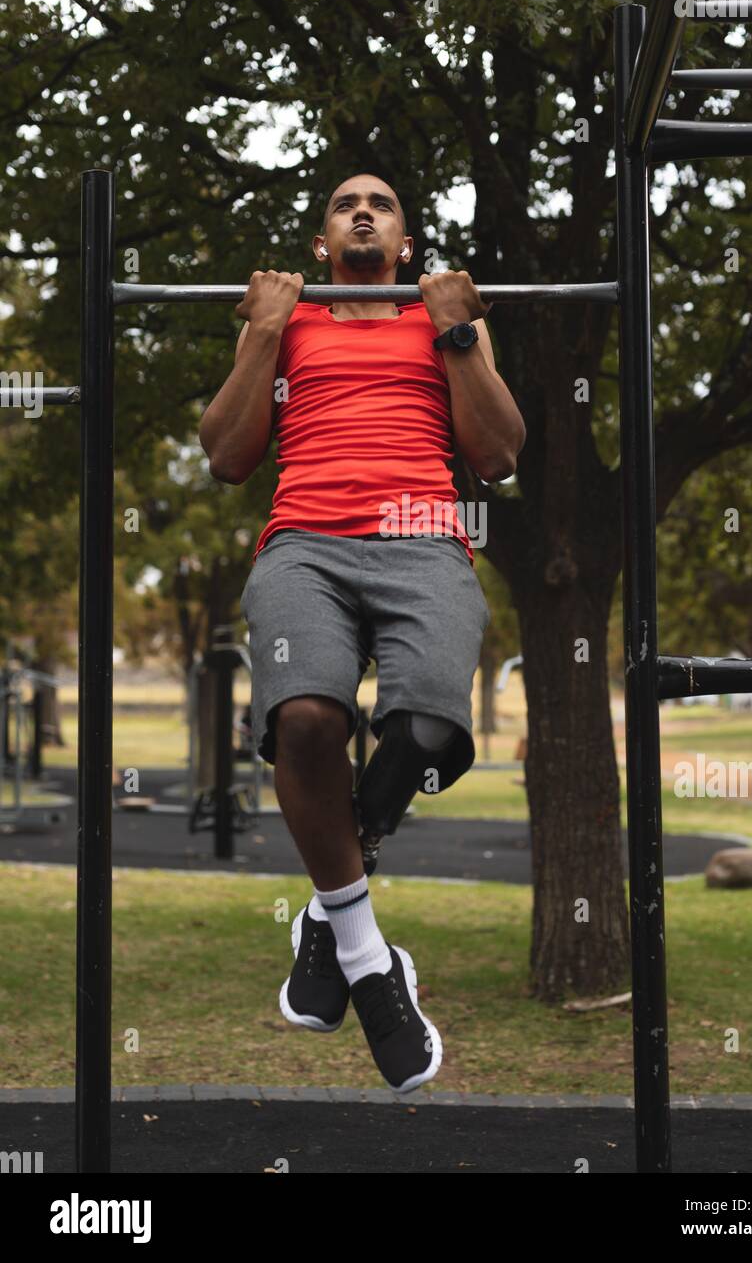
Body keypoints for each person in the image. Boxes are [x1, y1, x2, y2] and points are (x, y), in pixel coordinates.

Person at [199, 174, 525, 1093]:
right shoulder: (287, 325)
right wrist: (262, 331)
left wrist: (459, 330)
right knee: (304, 721)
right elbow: (226, 457)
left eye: (381, 204)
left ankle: (327, 915)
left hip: (424, 543)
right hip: (305, 543)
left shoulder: (445, 321)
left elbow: (498, 455)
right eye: (346, 205)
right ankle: (370, 961)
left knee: (424, 731)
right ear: (320, 245)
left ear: (407, 244)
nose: (364, 212)